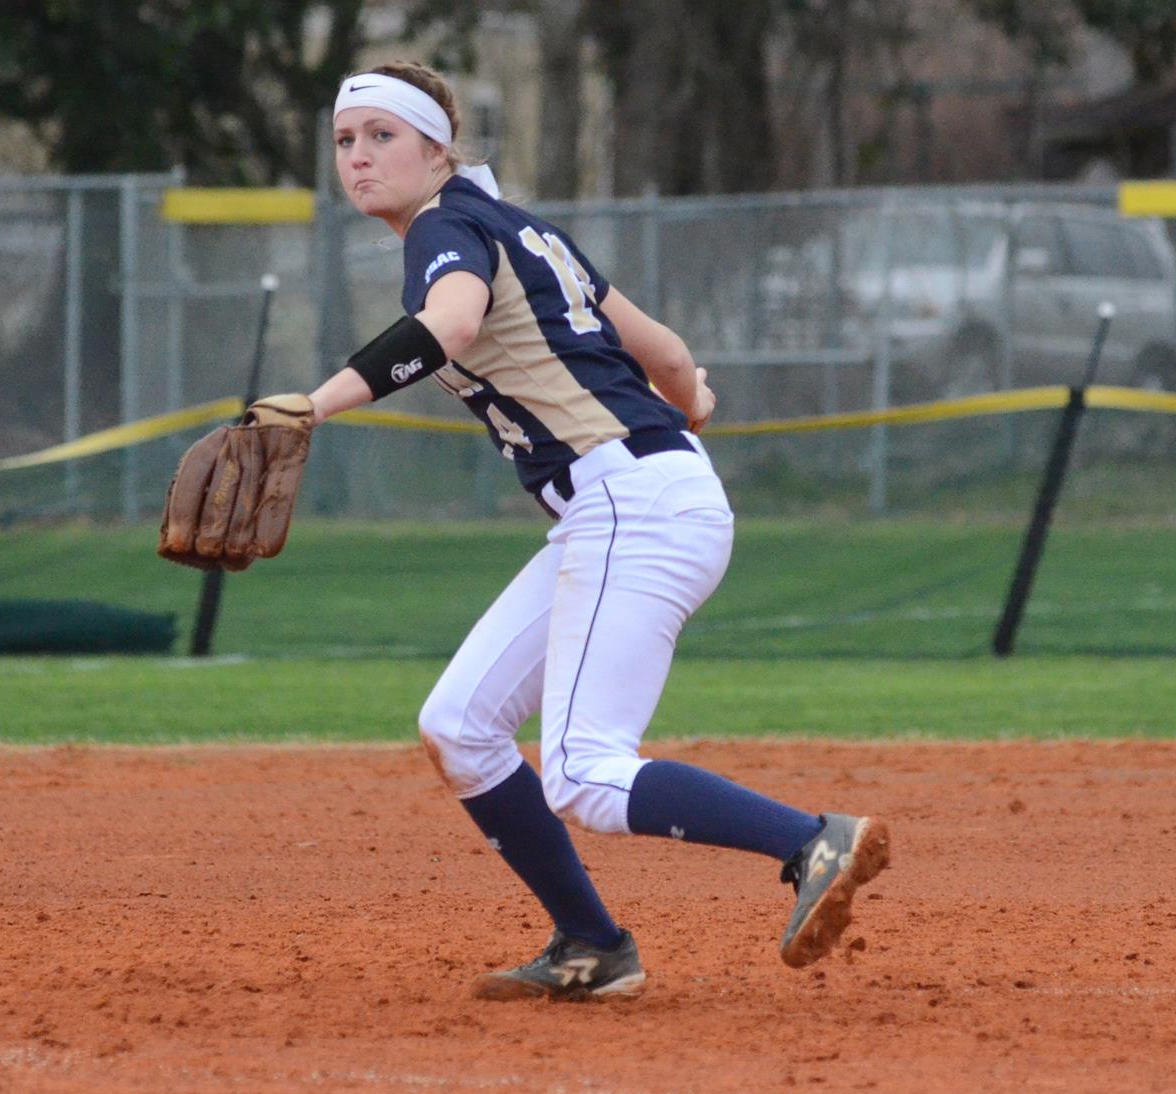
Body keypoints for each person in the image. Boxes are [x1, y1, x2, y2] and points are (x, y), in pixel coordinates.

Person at [281, 61, 890, 1000]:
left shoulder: (446, 227)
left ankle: (812, 840)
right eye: (344, 140)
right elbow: (669, 354)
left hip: (628, 505)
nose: (358, 156)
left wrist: (315, 404)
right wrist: (689, 404)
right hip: (636, 498)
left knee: (584, 771)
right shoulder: (522, 229)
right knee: (460, 726)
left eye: (382, 136)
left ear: (438, 149)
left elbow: (449, 325)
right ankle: (592, 944)